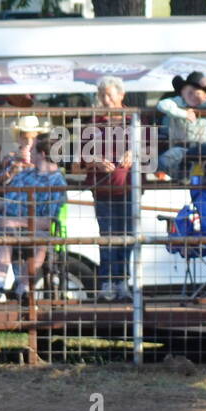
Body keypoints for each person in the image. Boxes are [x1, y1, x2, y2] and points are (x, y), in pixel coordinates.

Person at [0, 116, 67, 303]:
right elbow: (7, 202)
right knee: (6, 234)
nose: (28, 149)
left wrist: (16, 221)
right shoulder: (22, 173)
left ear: (42, 154)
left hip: (34, 228)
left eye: (33, 148)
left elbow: (48, 221)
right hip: (10, 226)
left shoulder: (57, 182)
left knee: (40, 241)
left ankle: (25, 288)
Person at [85, 76, 134, 301]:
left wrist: (134, 153)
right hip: (103, 188)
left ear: (121, 95)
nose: (106, 100)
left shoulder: (133, 119)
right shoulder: (95, 121)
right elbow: (83, 156)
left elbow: (149, 149)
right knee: (107, 236)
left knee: (127, 236)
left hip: (129, 188)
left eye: (109, 95)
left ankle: (123, 282)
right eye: (102, 95)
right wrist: (97, 161)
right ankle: (107, 283)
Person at [156, 71, 206, 178]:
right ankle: (182, 177)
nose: (193, 96)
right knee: (163, 161)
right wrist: (184, 114)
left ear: (205, 95)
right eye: (190, 92)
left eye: (198, 93)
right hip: (181, 149)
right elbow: (162, 105)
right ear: (182, 92)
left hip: (201, 149)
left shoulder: (205, 104)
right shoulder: (178, 102)